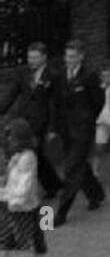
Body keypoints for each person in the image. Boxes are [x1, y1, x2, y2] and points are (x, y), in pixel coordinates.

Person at [53, 38, 106, 226]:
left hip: (83, 130)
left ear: (81, 57)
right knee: (79, 164)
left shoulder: (90, 75)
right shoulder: (61, 75)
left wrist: (87, 119)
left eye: (73, 56)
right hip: (66, 129)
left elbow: (98, 102)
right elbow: (57, 102)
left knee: (71, 169)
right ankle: (96, 194)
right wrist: (56, 127)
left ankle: (61, 212)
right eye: (67, 56)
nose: (69, 60)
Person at [0, 42, 62, 199]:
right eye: (30, 57)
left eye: (35, 58)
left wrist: (53, 127)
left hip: (42, 122)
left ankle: (33, 190)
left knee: (32, 153)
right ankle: (52, 184)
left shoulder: (53, 75)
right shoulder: (23, 73)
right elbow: (12, 94)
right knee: (35, 154)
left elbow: (55, 103)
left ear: (44, 57)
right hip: (24, 122)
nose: (31, 61)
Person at [0, 119, 51, 257]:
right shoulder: (16, 156)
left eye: (11, 137)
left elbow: (24, 188)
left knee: (37, 247)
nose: (8, 142)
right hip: (10, 210)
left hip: (28, 210)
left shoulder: (28, 158)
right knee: (2, 246)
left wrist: (4, 194)